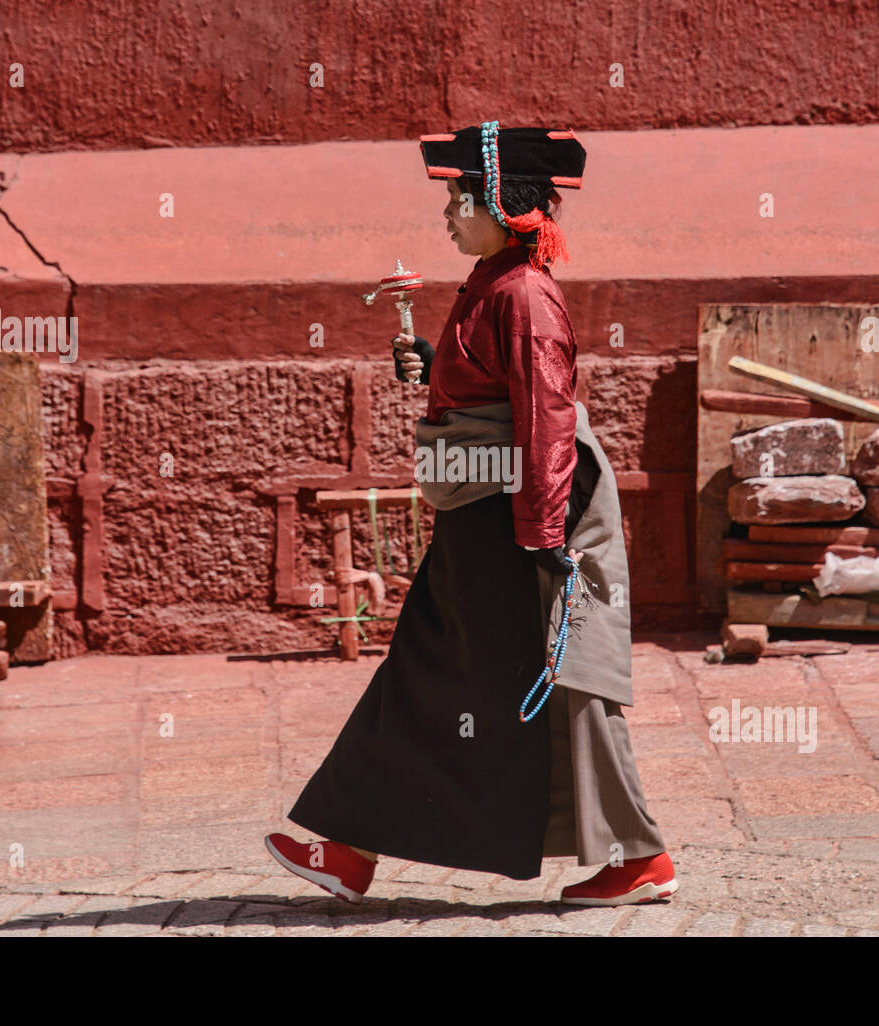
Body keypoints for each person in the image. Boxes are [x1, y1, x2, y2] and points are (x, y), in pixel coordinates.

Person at [264, 122, 675, 906]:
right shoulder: (491, 280)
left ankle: (639, 858)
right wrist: (431, 361)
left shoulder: (524, 295)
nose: (448, 213)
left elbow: (548, 417)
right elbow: (488, 387)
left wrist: (545, 537)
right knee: (441, 668)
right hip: (486, 514)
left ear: (504, 204)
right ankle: (350, 850)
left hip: (519, 517)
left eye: (460, 198)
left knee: (562, 676)